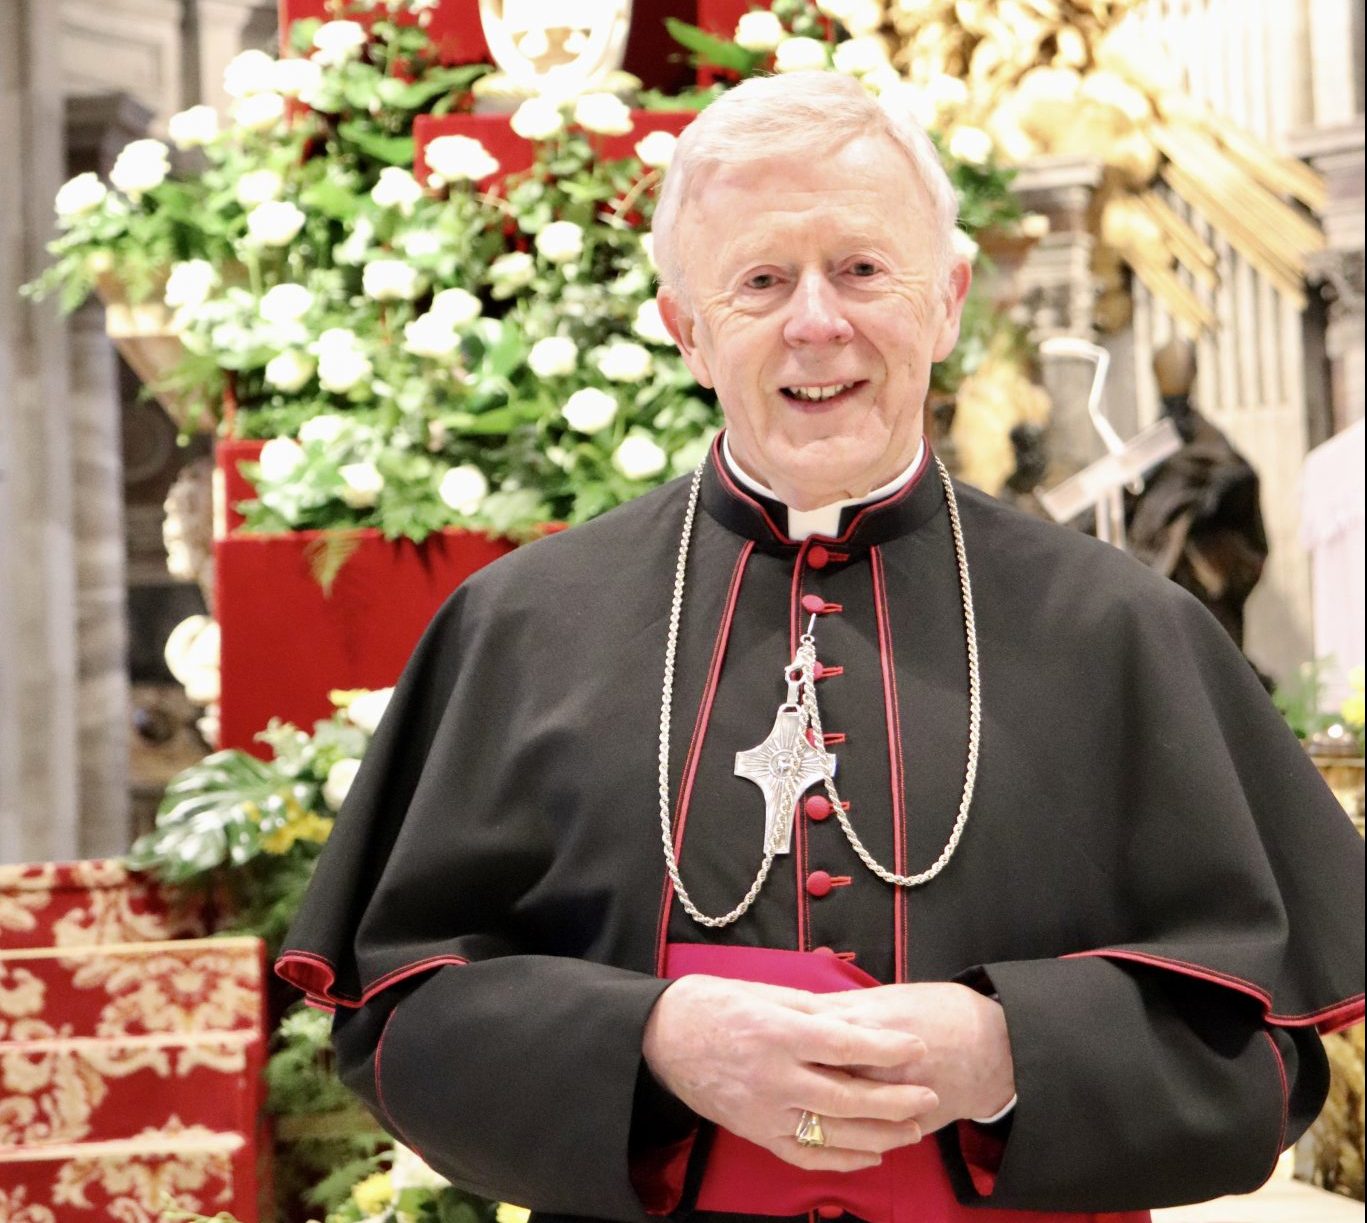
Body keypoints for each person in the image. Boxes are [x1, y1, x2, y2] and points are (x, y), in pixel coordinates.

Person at [277, 72, 1364, 1222]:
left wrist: (1010, 1050)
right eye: (758, 280)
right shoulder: (524, 624)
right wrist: (647, 1041)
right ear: (684, 329)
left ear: (945, 299)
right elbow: (399, 1021)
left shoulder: (1121, 631)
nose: (814, 323)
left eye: (858, 269)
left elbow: (1261, 1060)